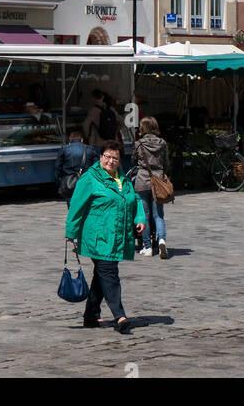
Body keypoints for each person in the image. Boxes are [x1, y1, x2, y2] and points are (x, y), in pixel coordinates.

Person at [65, 140, 146, 334]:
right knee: (109, 273)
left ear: (119, 160)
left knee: (102, 275)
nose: (110, 161)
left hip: (117, 237)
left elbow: (134, 199)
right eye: (107, 157)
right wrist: (71, 232)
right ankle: (120, 315)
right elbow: (76, 205)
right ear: (101, 157)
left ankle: (91, 316)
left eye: (115, 158)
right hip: (97, 237)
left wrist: (139, 218)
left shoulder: (123, 180)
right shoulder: (90, 179)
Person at [132, 116, 171, 259]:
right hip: (158, 182)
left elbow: (134, 160)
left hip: (142, 181)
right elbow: (166, 163)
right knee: (158, 215)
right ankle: (161, 241)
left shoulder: (139, 144)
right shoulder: (162, 143)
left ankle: (147, 247)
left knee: (144, 216)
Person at [55, 127, 97, 200]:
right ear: (82, 140)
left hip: (69, 182)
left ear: (70, 140)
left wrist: (59, 180)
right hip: (86, 181)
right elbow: (96, 167)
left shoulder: (64, 149)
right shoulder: (90, 149)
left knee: (71, 204)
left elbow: (58, 167)